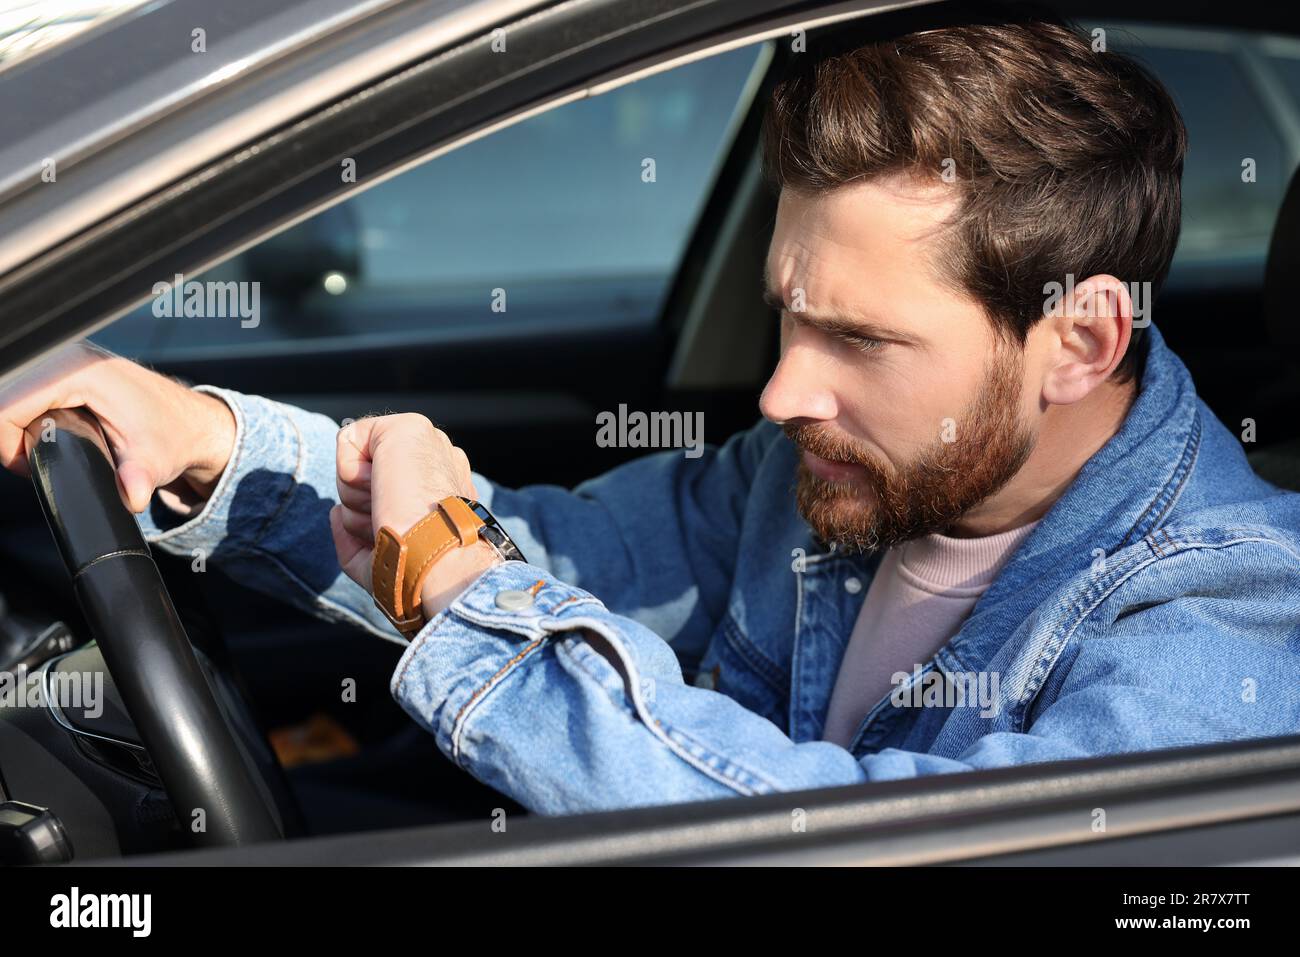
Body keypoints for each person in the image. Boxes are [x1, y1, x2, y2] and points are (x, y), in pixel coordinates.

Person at [3, 15, 1299, 816]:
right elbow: (535, 565)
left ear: (1079, 340)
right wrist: (207, 440)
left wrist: (458, 584)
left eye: (860, 338)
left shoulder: (1236, 613)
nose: (784, 391)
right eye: (788, 314)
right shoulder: (808, 479)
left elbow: (853, 841)